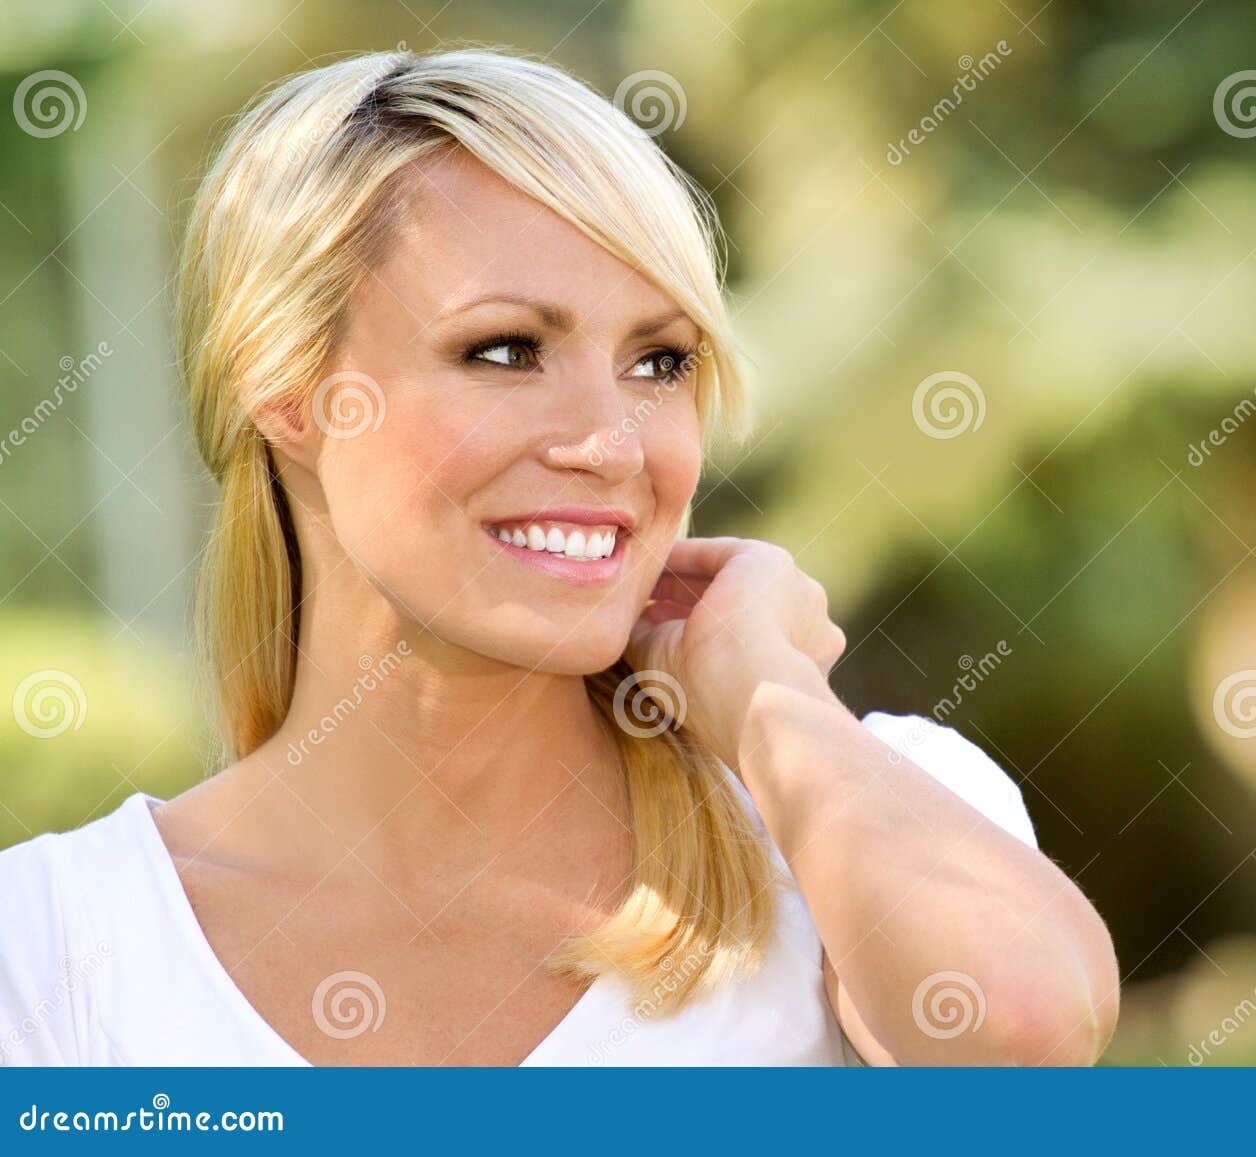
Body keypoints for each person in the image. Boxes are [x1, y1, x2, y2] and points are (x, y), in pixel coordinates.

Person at [0, 48, 1118, 1066]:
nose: (610, 444)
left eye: (660, 360)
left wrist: (760, 684)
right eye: (506, 349)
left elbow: (1022, 1036)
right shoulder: (52, 949)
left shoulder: (848, 818)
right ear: (286, 388)